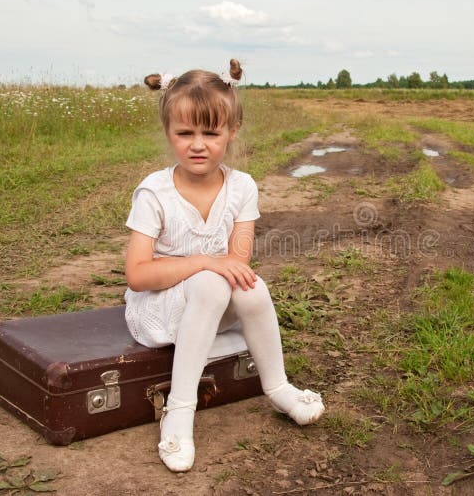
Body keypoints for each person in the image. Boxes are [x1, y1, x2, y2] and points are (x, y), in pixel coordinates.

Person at [123, 59, 325, 472]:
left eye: (210, 133)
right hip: (159, 309)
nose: (198, 144)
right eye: (185, 133)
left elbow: (238, 263)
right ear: (169, 133)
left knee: (252, 286)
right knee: (214, 283)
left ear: (231, 133)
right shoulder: (154, 193)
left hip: (212, 310)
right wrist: (199, 261)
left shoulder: (242, 187)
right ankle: (180, 410)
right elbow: (138, 275)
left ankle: (278, 387)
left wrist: (214, 267)